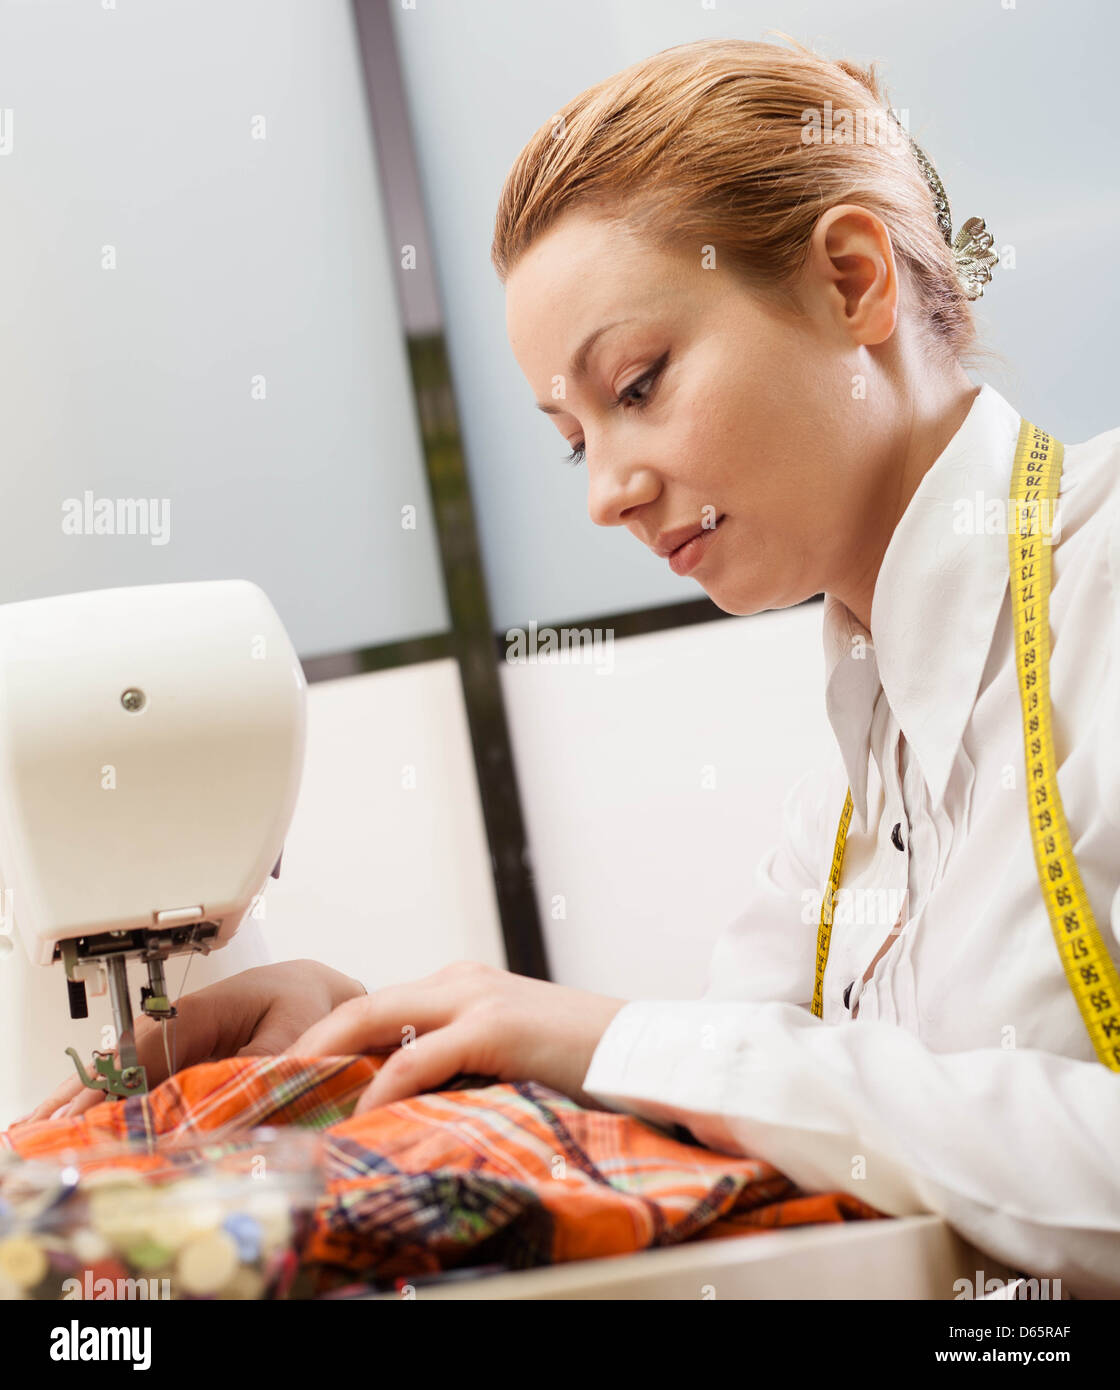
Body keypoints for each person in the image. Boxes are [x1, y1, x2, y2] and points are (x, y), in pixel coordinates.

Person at [15, 36, 1120, 1296]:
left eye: (638, 384)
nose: (605, 493)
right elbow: (717, 1117)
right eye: (569, 439)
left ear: (850, 282)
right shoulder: (845, 793)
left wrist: (614, 1041)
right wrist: (391, 1049)